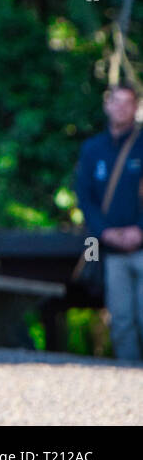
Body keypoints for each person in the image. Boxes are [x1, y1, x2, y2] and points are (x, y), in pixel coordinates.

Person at [76, 83, 143, 361]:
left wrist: (140, 230)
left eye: (128, 103)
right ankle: (127, 376)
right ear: (107, 105)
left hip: (141, 246)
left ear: (136, 107)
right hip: (112, 251)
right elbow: (85, 196)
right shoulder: (93, 149)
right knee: (121, 318)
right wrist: (104, 233)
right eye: (116, 102)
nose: (121, 108)